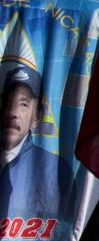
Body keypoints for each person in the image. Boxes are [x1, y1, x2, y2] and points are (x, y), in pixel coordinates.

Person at [0, 63, 59, 213]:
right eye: (7, 103)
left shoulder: (56, 170)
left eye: (23, 104)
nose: (12, 113)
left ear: (37, 116)